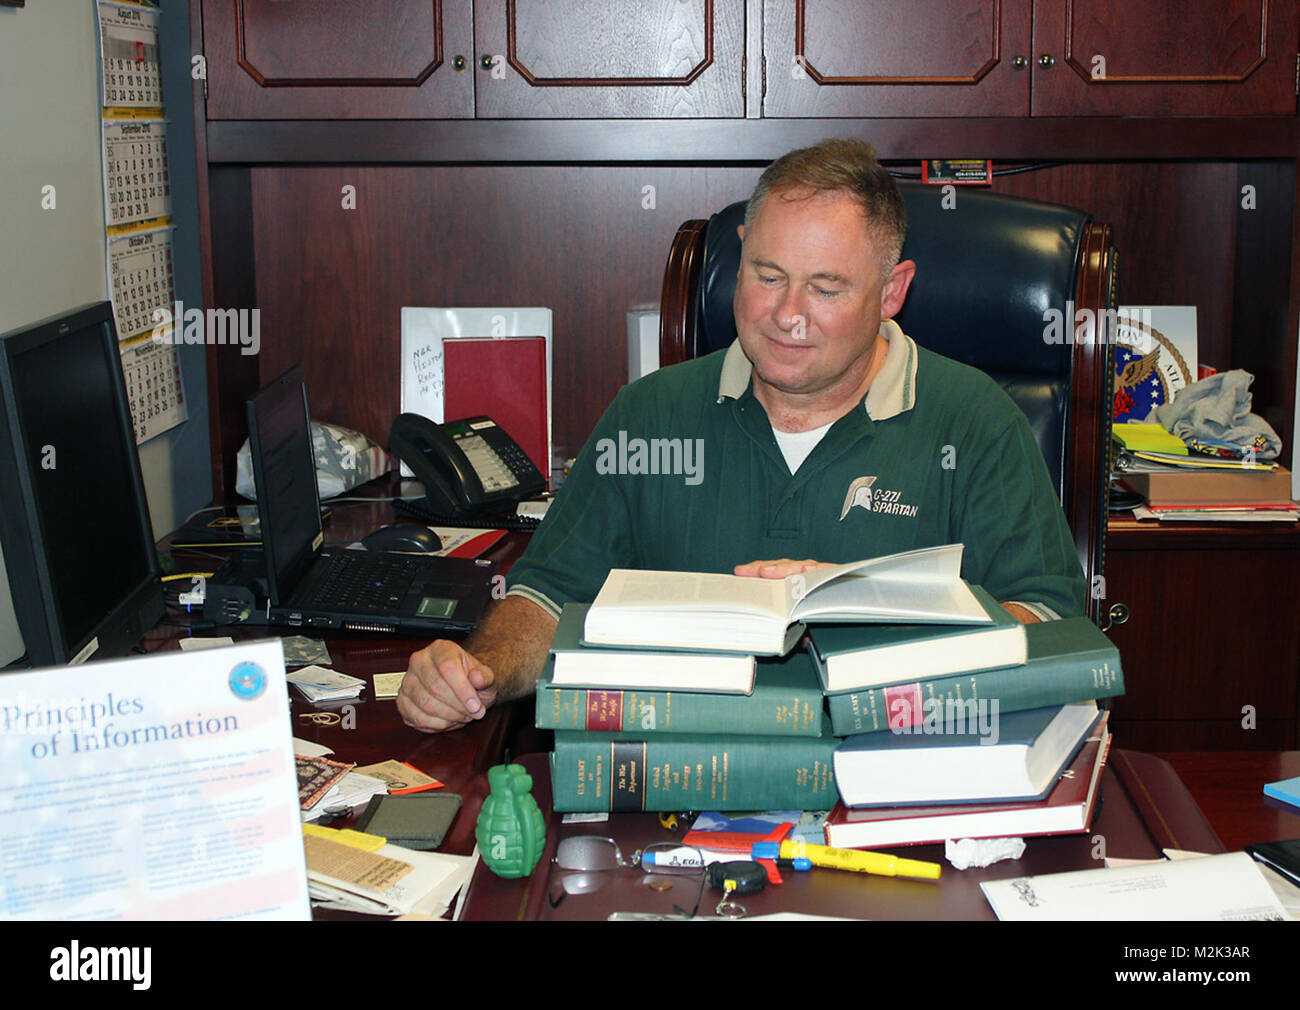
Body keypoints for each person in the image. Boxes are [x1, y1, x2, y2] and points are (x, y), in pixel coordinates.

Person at [397, 139, 1087, 734]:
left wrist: (877, 607)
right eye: (768, 276)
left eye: (826, 287)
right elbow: (547, 601)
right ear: (738, 260)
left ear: (891, 292)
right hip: (678, 780)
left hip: (890, 783)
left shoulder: (977, 422)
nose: (788, 315)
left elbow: (1052, 626)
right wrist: (475, 672)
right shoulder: (650, 416)